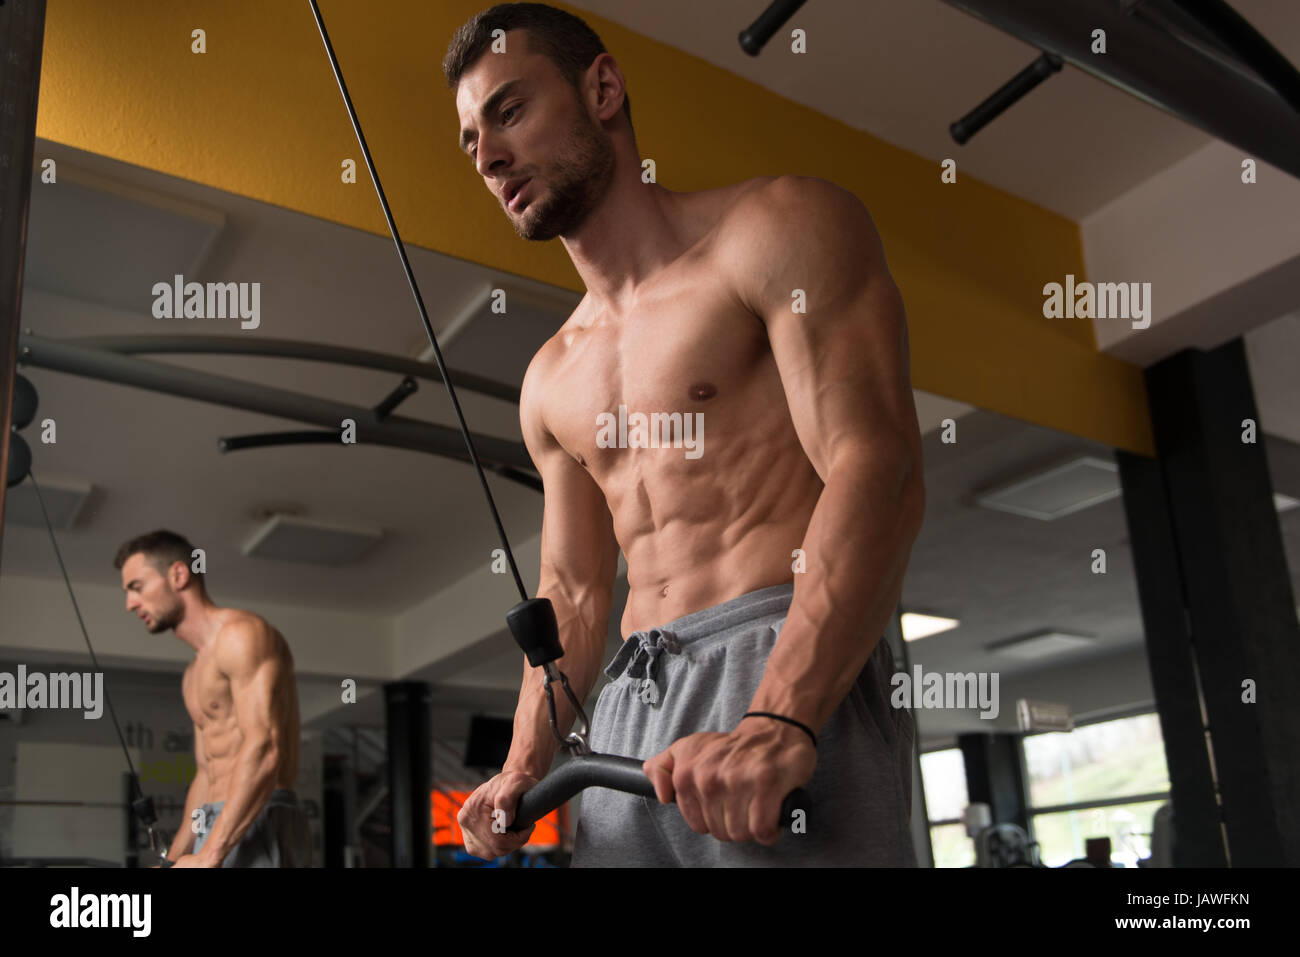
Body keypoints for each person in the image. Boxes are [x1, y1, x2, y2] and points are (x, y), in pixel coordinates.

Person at [447, 3, 925, 866]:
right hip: (630, 696)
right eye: (471, 139)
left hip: (778, 652)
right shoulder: (550, 376)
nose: (486, 154)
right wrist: (524, 763)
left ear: (602, 87)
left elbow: (876, 464)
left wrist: (782, 712)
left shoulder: (780, 228)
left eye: (509, 111)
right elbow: (576, 592)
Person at [114, 529, 310, 867]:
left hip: (258, 813)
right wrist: (176, 857)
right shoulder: (193, 673)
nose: (130, 603)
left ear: (178, 574)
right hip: (214, 822)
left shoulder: (242, 635)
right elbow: (206, 774)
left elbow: (264, 748)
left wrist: (210, 855)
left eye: (137, 587)